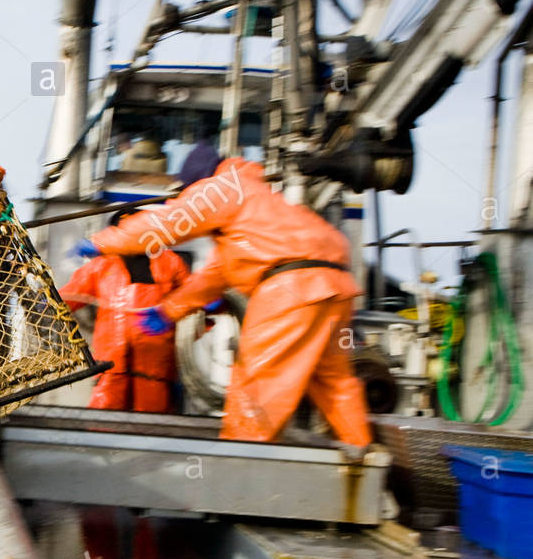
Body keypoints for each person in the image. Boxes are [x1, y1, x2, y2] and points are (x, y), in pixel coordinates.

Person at [75, 157, 372, 455]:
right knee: (334, 382)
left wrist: (105, 241)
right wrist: (170, 310)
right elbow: (216, 275)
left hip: (290, 288)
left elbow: (166, 223)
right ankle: (362, 457)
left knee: (255, 388)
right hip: (335, 285)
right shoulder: (259, 204)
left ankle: (240, 466)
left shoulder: (223, 187)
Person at [60, 219, 189, 412]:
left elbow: (194, 298)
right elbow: (69, 296)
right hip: (112, 365)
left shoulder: (170, 262)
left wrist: (212, 303)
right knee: (105, 421)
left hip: (156, 368)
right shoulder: (102, 264)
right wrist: (42, 303)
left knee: (152, 424)